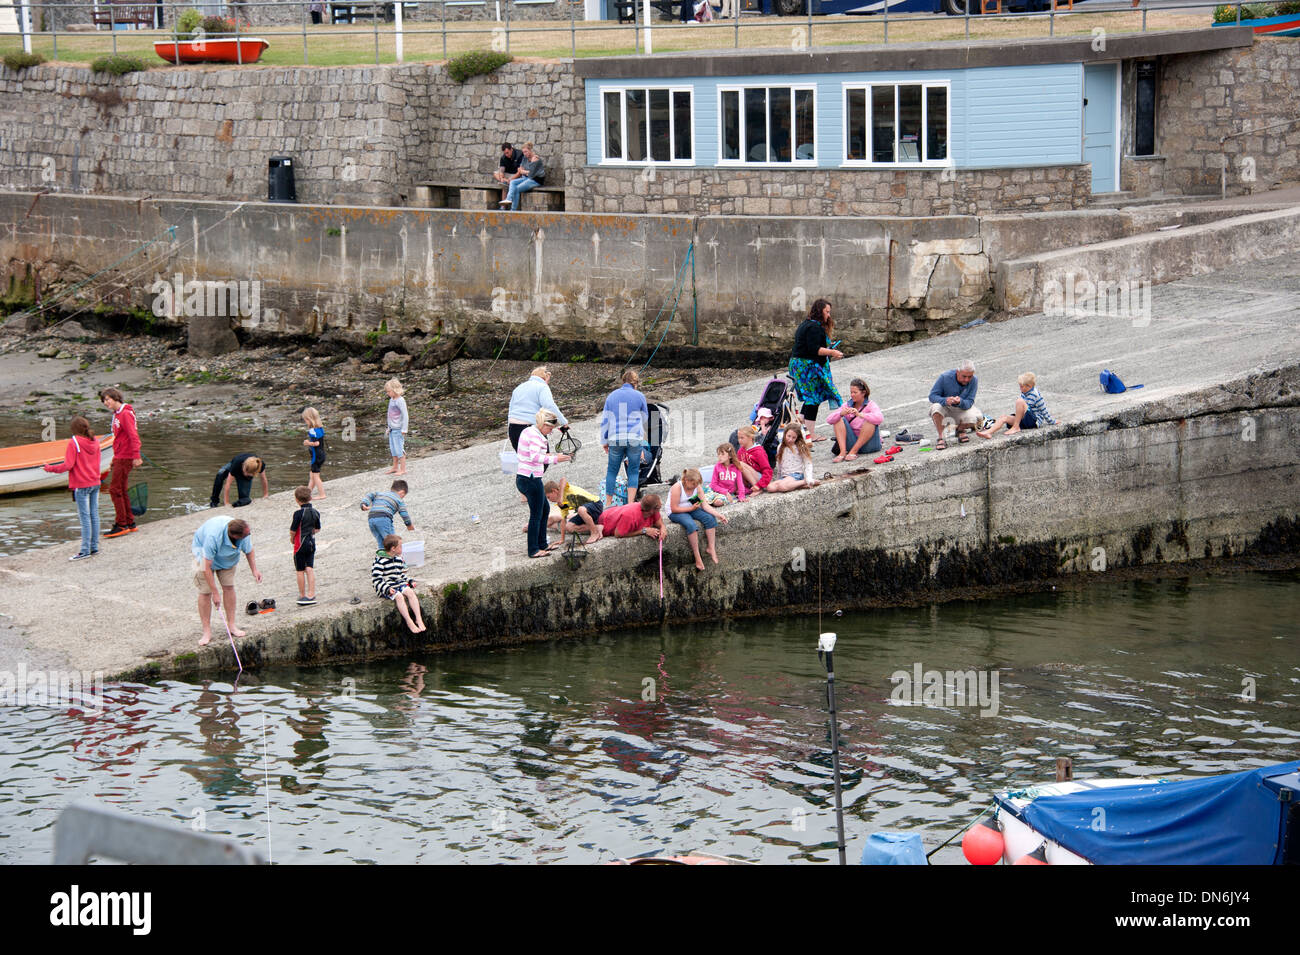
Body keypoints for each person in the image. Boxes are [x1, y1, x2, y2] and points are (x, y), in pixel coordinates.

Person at [191, 515, 261, 647]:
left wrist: (254, 570)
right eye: (247, 534)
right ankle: (207, 632)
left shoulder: (244, 533)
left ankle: (232, 625)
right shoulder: (213, 537)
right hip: (203, 556)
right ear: (236, 536)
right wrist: (215, 592)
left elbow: (249, 551)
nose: (249, 535)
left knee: (229, 586)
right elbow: (206, 566)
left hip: (228, 557)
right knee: (205, 592)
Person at [43, 416, 102, 561]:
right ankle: (94, 547)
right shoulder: (95, 441)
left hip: (82, 485)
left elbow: (67, 466)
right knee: (94, 515)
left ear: (73, 429)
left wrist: (49, 468)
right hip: (96, 482)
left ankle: (84, 551)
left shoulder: (73, 443)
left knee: (85, 518)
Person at [518, 410, 573, 558]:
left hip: (526, 477)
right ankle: (533, 550)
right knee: (536, 515)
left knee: (544, 509)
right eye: (549, 429)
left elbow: (533, 455)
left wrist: (555, 455)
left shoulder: (529, 431)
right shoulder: (536, 436)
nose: (550, 432)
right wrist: (556, 459)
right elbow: (535, 457)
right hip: (530, 479)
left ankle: (542, 544)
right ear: (543, 424)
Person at [789, 298, 844, 441]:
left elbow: (809, 345)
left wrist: (827, 346)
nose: (828, 315)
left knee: (810, 398)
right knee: (813, 399)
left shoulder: (806, 324)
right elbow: (814, 349)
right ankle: (811, 435)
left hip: (798, 365)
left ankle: (800, 423)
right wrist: (832, 352)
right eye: (827, 312)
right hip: (806, 366)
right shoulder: (814, 327)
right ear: (820, 312)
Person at [601, 369, 649, 506]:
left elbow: (605, 420)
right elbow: (645, 417)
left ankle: (608, 504)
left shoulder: (611, 396)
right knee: (633, 470)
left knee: (612, 471)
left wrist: (604, 441)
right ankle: (630, 504)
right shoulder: (639, 396)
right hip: (634, 437)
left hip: (615, 437)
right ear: (635, 383)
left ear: (623, 381)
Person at [99, 387, 142, 538]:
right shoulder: (117, 414)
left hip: (126, 456)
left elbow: (133, 435)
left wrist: (136, 455)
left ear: (115, 397)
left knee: (115, 489)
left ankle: (121, 524)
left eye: (107, 399)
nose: (106, 403)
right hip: (120, 456)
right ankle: (129, 522)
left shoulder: (125, 414)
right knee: (121, 489)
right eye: (104, 401)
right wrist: (113, 458)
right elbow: (119, 439)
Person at [669, 468, 727, 571]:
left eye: (697, 484)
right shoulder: (677, 487)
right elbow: (674, 508)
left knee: (710, 519)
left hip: (692, 507)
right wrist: (691, 508)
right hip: (676, 512)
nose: (695, 487)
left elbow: (704, 506)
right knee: (691, 525)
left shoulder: (697, 487)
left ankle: (711, 548)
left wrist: (719, 515)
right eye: (693, 484)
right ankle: (697, 557)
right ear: (686, 480)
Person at [372, 534, 426, 633]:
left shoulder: (398, 559)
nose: (403, 548)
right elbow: (376, 579)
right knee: (399, 596)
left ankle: (418, 618)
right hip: (387, 587)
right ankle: (409, 621)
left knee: (410, 592)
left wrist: (409, 581)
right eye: (400, 546)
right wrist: (387, 589)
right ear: (393, 548)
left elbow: (401, 574)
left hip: (398, 583)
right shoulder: (380, 562)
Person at [978, 372, 1057, 439]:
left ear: (1029, 386)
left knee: (1019, 401)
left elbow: (1043, 409)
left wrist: (1052, 421)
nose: (1020, 388)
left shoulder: (1036, 395)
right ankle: (988, 432)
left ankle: (1016, 427)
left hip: (1033, 421)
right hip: (1024, 419)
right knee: (1004, 417)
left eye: (1021, 386)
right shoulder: (1024, 393)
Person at [507, 366, 568, 451]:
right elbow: (549, 406)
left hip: (513, 429)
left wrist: (509, 431)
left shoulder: (518, 388)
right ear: (545, 378)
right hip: (530, 428)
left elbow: (511, 410)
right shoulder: (542, 386)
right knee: (543, 460)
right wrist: (563, 422)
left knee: (524, 459)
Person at [827, 378, 884, 462]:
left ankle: (853, 452)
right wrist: (841, 413)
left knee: (870, 422)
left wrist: (860, 415)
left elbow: (880, 418)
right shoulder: (847, 405)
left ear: (863, 393)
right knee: (838, 419)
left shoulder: (870, 404)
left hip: (870, 445)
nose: (852, 395)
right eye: (851, 392)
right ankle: (842, 452)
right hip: (851, 443)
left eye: (855, 392)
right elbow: (829, 420)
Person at [928, 360, 982, 449]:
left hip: (961, 408)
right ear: (957, 372)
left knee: (978, 418)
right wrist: (945, 400)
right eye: (964, 376)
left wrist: (960, 401)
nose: (967, 380)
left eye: (970, 377)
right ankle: (941, 437)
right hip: (945, 408)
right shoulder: (945, 377)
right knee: (936, 408)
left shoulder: (974, 380)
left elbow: (970, 402)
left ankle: (960, 430)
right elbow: (932, 396)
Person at [361, 480, 415, 551]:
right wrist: (409, 525)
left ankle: (382, 558)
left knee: (381, 540)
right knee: (392, 541)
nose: (402, 498)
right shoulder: (399, 500)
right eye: (403, 496)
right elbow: (404, 513)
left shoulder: (380, 493)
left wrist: (364, 503)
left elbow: (370, 495)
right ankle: (394, 559)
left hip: (371, 518)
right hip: (383, 519)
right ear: (402, 492)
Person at [290, 485, 321, 606]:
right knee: (310, 568)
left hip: (300, 544)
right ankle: (311, 594)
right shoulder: (315, 512)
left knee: (300, 570)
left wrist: (292, 539)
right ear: (311, 498)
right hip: (311, 543)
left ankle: (302, 595)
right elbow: (317, 528)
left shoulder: (298, 514)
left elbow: (293, 530)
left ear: (297, 500)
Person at [545, 478, 599, 544]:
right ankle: (596, 527)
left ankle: (594, 533)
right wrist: (562, 539)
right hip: (584, 512)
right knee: (569, 526)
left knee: (580, 509)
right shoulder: (561, 504)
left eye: (549, 497)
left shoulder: (565, 489)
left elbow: (563, 479)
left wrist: (561, 496)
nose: (549, 500)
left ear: (554, 491)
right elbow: (563, 520)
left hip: (595, 504)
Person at [766, 427, 818, 493]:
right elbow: (780, 464)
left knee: (782, 486)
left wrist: (809, 478)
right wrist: (779, 478)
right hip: (785, 476)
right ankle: (799, 485)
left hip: (796, 474)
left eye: (794, 437)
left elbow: (808, 463)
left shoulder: (800, 447)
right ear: (785, 434)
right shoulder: (780, 447)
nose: (790, 439)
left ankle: (805, 481)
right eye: (789, 436)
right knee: (770, 488)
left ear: (797, 438)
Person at [500, 142, 546, 212]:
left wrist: (524, 172)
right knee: (512, 182)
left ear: (530, 150)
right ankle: (508, 199)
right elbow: (520, 169)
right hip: (527, 178)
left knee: (517, 189)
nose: (525, 154)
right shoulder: (524, 158)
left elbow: (531, 174)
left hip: (536, 180)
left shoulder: (535, 159)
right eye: (523, 152)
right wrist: (525, 172)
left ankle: (513, 210)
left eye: (526, 152)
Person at [598, 494, 665, 540]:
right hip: (602, 520)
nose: (661, 505)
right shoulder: (630, 516)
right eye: (659, 507)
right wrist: (644, 531)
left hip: (614, 510)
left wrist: (663, 528)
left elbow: (659, 523)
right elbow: (618, 534)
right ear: (651, 510)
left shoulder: (653, 511)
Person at [735, 424, 773, 493]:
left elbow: (767, 470)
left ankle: (757, 488)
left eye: (742, 438)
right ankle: (745, 488)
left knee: (740, 464)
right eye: (738, 438)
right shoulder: (741, 451)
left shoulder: (759, 451)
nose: (739, 440)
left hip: (758, 479)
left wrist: (759, 485)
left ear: (750, 438)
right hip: (747, 478)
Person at [302, 406, 327, 500]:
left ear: (309, 419)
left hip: (316, 456)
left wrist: (308, 443)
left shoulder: (313, 431)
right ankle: (307, 494)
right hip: (321, 454)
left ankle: (322, 494)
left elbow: (317, 443)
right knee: (312, 474)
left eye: (305, 420)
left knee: (315, 476)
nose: (305, 422)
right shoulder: (320, 428)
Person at [385, 379, 408, 475]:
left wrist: (404, 429)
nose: (387, 393)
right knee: (393, 449)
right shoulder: (391, 400)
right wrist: (389, 427)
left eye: (389, 391)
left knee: (399, 449)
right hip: (392, 429)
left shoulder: (400, 401)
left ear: (395, 390)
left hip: (398, 430)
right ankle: (395, 467)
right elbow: (390, 415)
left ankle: (402, 469)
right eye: (387, 391)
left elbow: (405, 415)